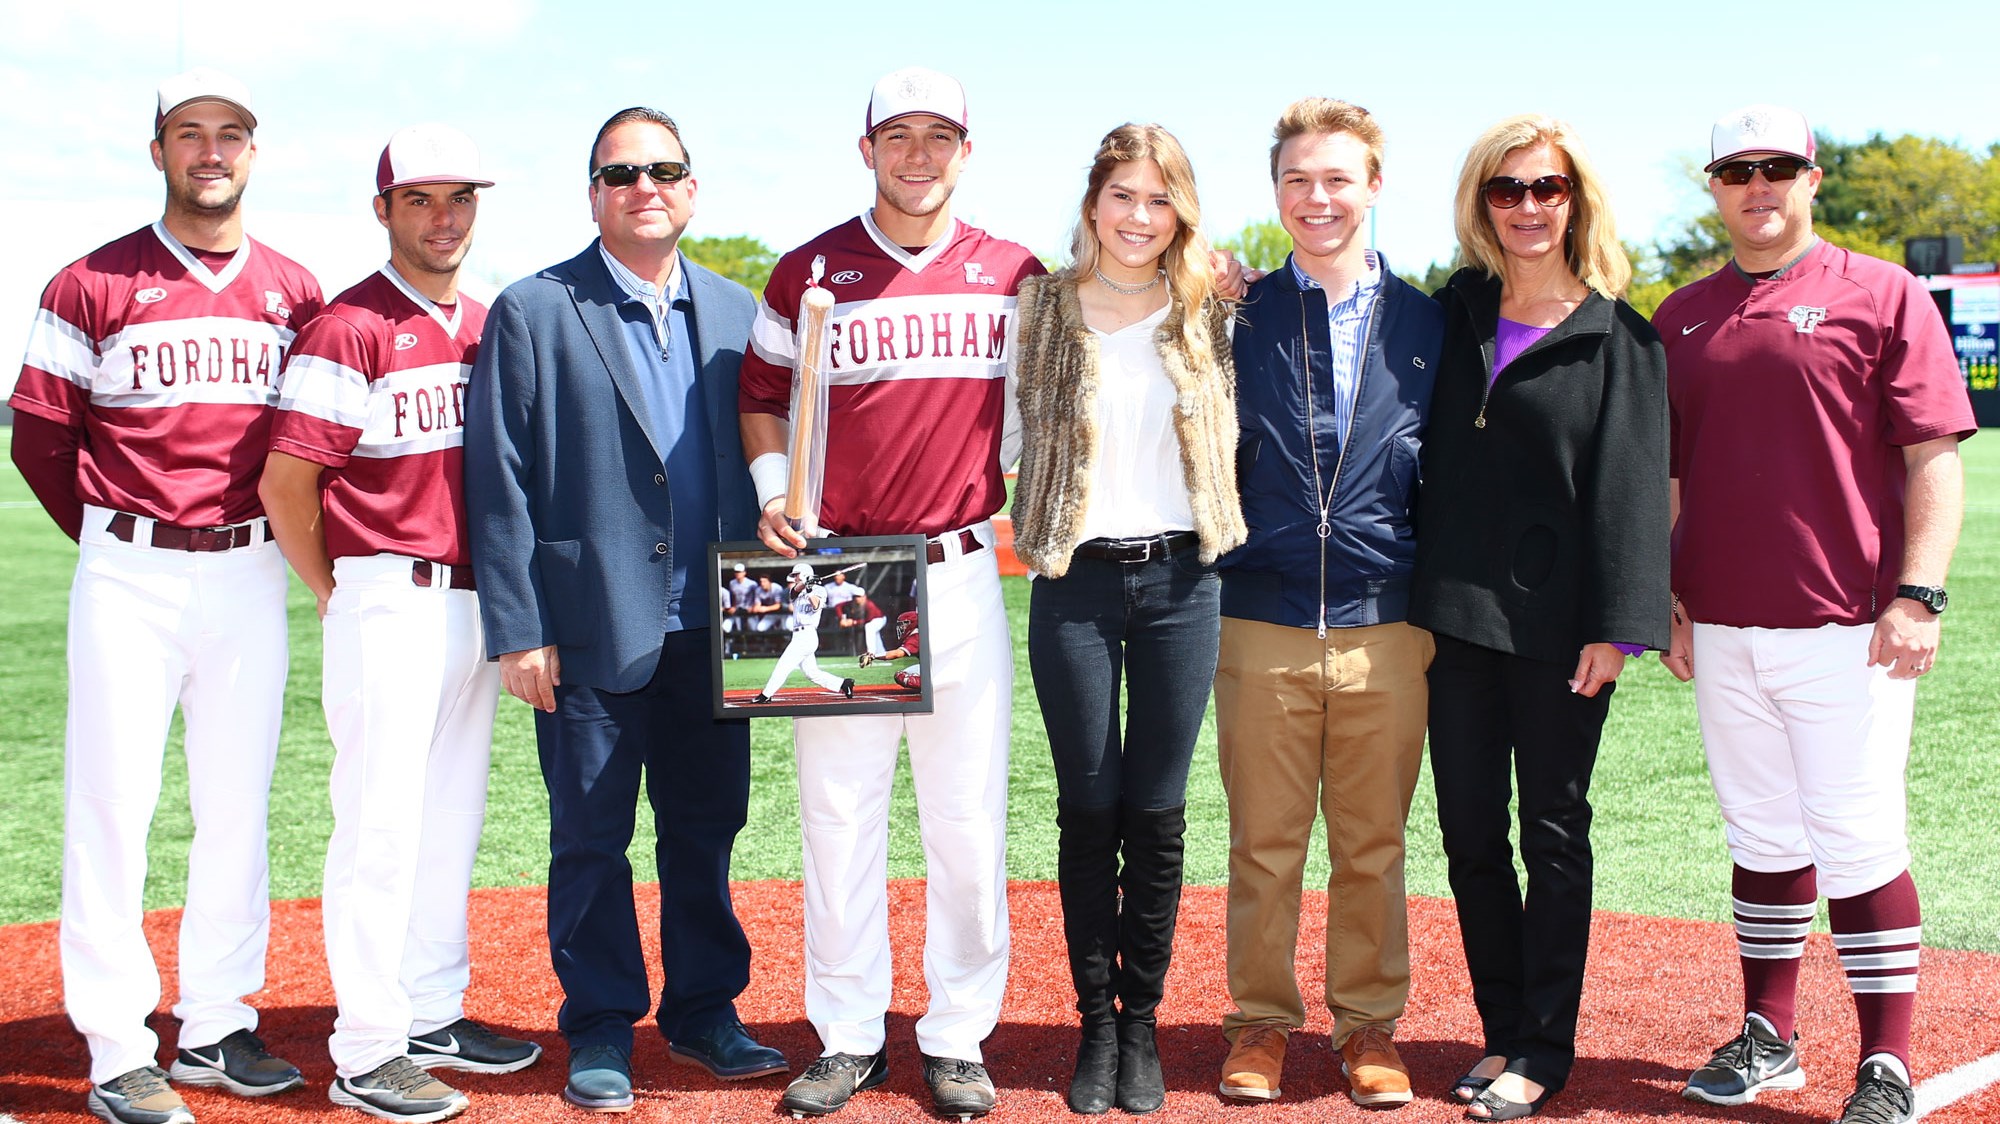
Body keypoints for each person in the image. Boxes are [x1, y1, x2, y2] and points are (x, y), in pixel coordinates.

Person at [7, 68, 322, 1124]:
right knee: (112, 807)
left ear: (254, 150)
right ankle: (113, 1042)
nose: (210, 151)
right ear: (157, 151)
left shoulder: (295, 288)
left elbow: (312, 446)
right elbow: (46, 440)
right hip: (130, 569)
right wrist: (117, 530)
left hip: (247, 567)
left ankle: (219, 1021)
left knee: (236, 804)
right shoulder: (88, 281)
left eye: (231, 133)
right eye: (189, 133)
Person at [1654, 104, 1973, 1124]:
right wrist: (1668, 598)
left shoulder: (1878, 291)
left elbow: (1932, 457)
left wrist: (1917, 594)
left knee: (1857, 836)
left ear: (1811, 177)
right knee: (1759, 832)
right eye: (1735, 169)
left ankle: (1884, 1060)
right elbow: (1666, 477)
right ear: (1712, 186)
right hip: (1721, 623)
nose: (1757, 185)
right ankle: (1770, 1036)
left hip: (1847, 623)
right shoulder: (1680, 314)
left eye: (1776, 166)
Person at [463, 106, 786, 1114]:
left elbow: (789, 443)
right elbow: (499, 480)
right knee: (591, 836)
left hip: (722, 621)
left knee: (705, 826)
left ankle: (702, 1009)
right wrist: (518, 627)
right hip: (590, 620)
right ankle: (601, 1022)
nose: (643, 185)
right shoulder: (533, 309)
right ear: (593, 192)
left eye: (663, 169)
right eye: (619, 172)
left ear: (692, 189)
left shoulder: (742, 313)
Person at [738, 66, 1044, 1120]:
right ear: (865, 147)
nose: (918, 155)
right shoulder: (809, 268)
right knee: (837, 819)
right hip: (842, 569)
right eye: (898, 136)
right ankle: (849, 1034)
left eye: (939, 137)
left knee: (965, 821)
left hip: (962, 562)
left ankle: (956, 1034)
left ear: (967, 149)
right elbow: (763, 396)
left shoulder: (1013, 271)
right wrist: (773, 493)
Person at [260, 124, 542, 1123]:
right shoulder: (351, 325)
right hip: (387, 590)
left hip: (471, 601)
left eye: (458, 197)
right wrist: (338, 587)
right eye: (418, 199)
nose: (442, 217)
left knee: (446, 823)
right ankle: (367, 1046)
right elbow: (286, 480)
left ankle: (429, 1010)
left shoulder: (487, 323)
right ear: (382, 210)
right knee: (379, 826)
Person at [1408, 115, 1670, 1120]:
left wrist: (1620, 625)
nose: (1526, 206)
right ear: (1480, 205)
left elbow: (1631, 493)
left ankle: (1543, 1048)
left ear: (1573, 200)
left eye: (1545, 188)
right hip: (1452, 617)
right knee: (1470, 834)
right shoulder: (1454, 311)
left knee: (1552, 831)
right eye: (1504, 190)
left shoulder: (1618, 335)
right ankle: (1501, 1027)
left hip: (1562, 631)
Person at [1006, 123, 1246, 1116]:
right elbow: (1004, 430)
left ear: (1178, 211)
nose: (1138, 217)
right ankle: (1091, 1022)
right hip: (1073, 583)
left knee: (1154, 812)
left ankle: (1138, 1017)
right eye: (1122, 197)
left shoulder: (1213, 311)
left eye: (1159, 200)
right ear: (1092, 204)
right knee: (1086, 806)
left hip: (1183, 586)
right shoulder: (1042, 307)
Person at [1212, 97, 1442, 1109]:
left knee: (1371, 845)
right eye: (1298, 179)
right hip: (1257, 618)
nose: (1317, 198)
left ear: (1374, 186)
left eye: (1337, 178)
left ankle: (1366, 1026)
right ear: (1275, 192)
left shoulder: (1432, 321)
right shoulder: (1235, 311)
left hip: (1385, 623)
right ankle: (1258, 1023)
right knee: (1262, 845)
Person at [750, 563, 857, 702]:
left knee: (783, 665)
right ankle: (843, 684)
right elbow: (794, 591)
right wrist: (806, 583)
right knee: (811, 673)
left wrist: (810, 589)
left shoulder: (820, 590)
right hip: (798, 635)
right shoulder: (796, 591)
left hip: (808, 635)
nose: (794, 578)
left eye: (796, 575)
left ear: (805, 574)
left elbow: (816, 605)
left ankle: (766, 694)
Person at [839, 589, 888, 656]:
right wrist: (842, 619)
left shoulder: (869, 605)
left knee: (869, 627)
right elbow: (838, 606)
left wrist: (853, 622)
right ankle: (881, 653)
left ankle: (870, 653)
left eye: (859, 596)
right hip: (870, 621)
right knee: (874, 634)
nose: (857, 598)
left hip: (879, 619)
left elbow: (868, 619)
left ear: (864, 596)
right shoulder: (852, 602)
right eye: (855, 596)